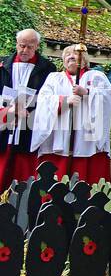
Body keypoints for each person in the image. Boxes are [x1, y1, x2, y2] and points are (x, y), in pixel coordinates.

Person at [31, 45, 111, 183]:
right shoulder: (54, 78)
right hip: (59, 137)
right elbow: (43, 100)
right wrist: (64, 101)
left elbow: (107, 97)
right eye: (67, 54)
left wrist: (87, 92)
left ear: (84, 58)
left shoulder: (96, 76)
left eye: (75, 53)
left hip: (86, 140)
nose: (71, 56)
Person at [0, 28, 57, 188]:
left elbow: (48, 97)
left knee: (24, 173)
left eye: (29, 47)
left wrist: (29, 111)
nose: (24, 50)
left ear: (37, 46)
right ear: (16, 44)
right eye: (21, 45)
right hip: (4, 123)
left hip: (30, 124)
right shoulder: (3, 65)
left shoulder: (47, 69)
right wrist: (9, 111)